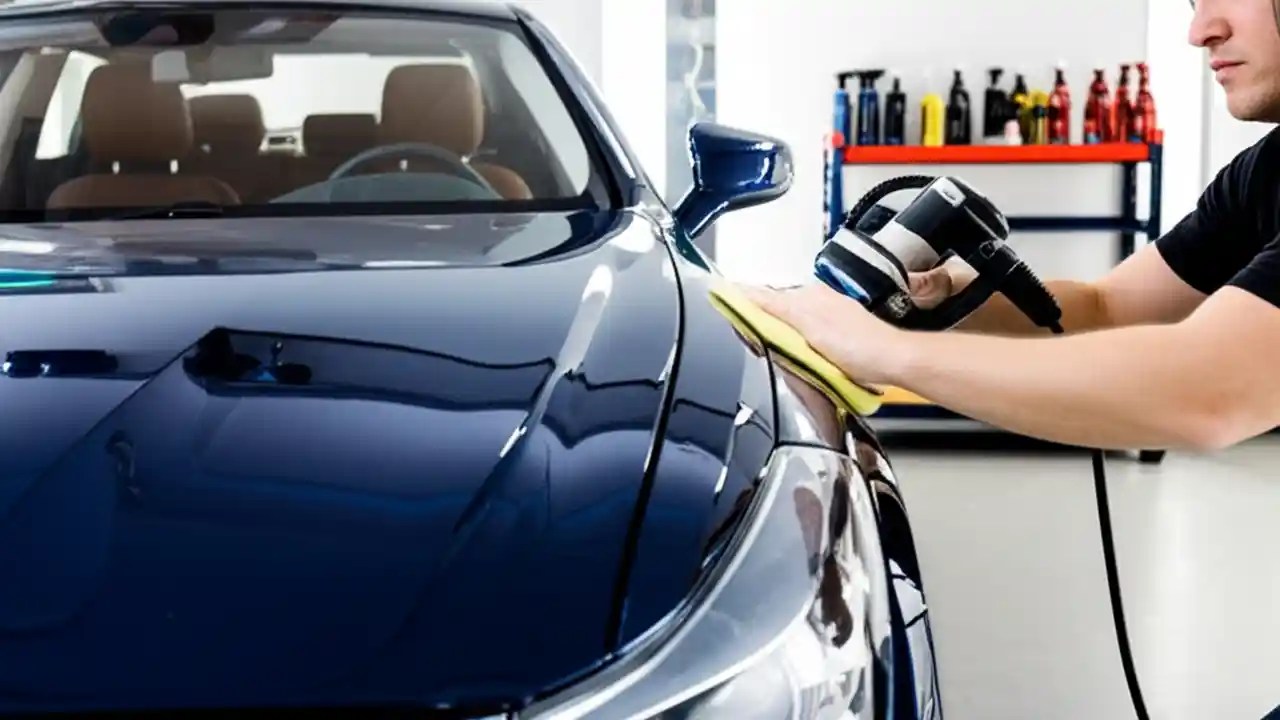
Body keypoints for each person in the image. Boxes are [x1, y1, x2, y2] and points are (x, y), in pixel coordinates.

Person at [740, 0, 1280, 453]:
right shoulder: (1263, 173)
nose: (1199, 30)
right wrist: (943, 299)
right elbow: (1109, 307)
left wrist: (880, 350)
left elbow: (1207, 393)